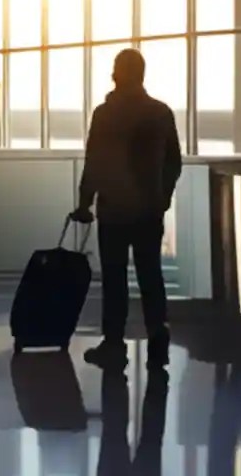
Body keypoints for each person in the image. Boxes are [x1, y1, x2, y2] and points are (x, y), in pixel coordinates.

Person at [70, 48, 182, 371]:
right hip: (149, 209)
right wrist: (163, 197)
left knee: (115, 279)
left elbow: (95, 161)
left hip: (114, 209)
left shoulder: (105, 114)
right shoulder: (161, 113)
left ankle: (114, 345)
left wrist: (84, 202)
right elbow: (174, 162)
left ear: (119, 74)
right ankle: (158, 340)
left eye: (115, 69)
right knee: (151, 275)